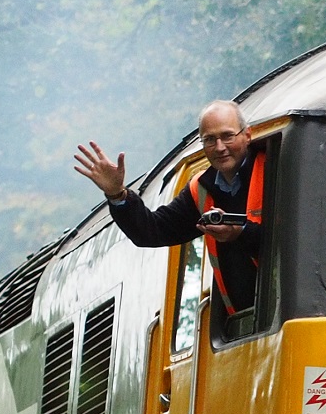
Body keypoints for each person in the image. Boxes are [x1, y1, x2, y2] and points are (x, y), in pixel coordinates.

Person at [74, 100, 266, 319]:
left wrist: (240, 233)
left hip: (286, 311)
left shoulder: (277, 166)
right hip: (241, 324)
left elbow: (294, 242)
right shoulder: (200, 190)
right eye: (210, 140)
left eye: (228, 136)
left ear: (247, 135)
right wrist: (117, 194)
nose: (220, 147)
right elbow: (152, 231)